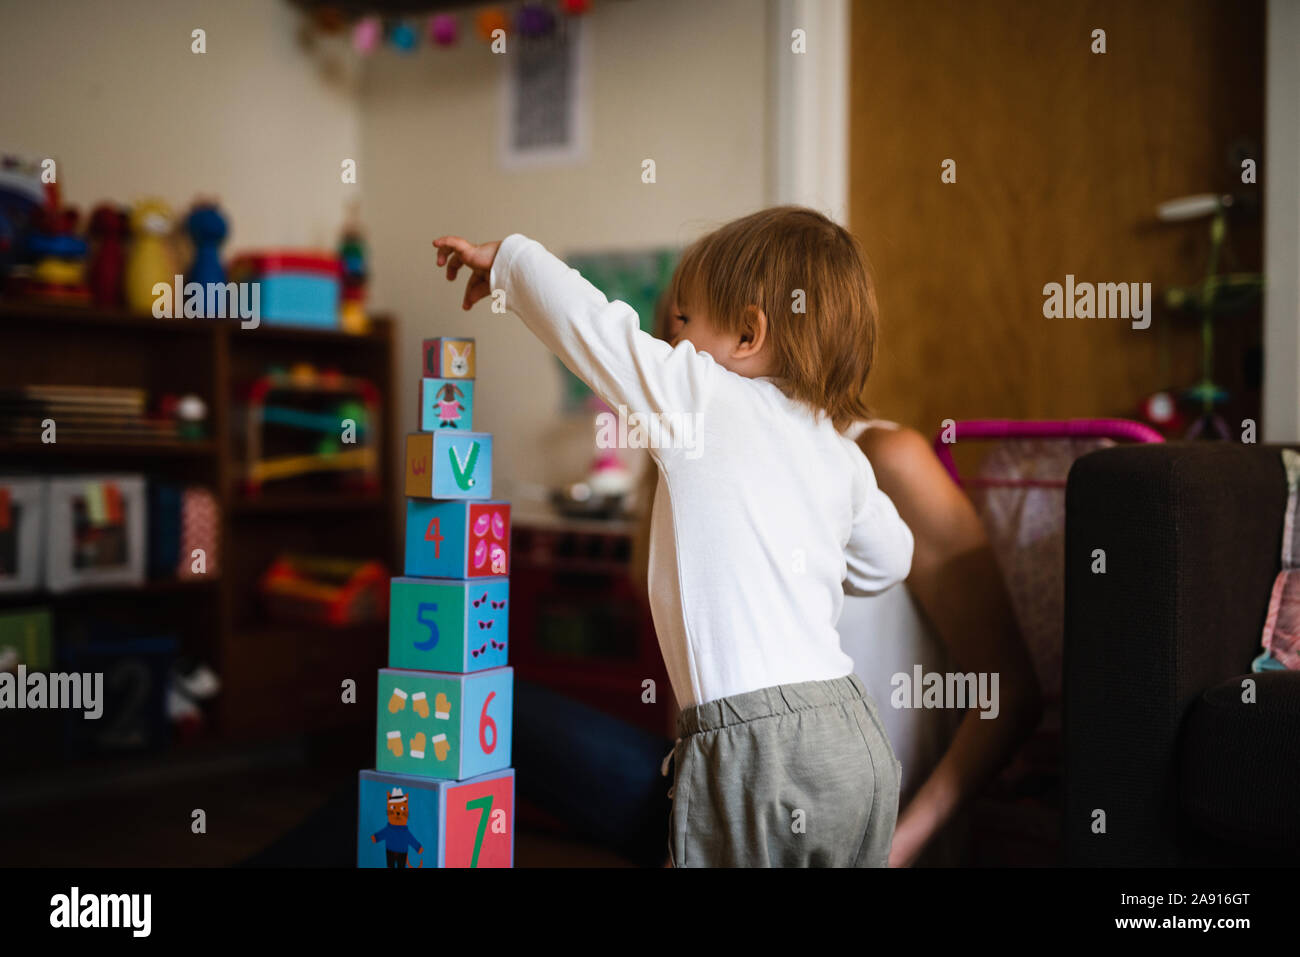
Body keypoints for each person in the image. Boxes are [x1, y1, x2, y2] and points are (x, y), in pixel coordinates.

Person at [434, 207, 912, 867]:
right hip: (854, 738)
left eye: (684, 320)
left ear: (748, 332)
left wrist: (509, 262)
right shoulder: (838, 450)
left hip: (759, 744)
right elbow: (892, 558)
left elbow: (594, 326)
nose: (669, 336)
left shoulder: (699, 395)